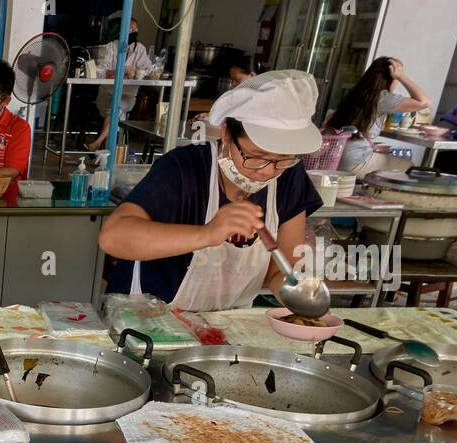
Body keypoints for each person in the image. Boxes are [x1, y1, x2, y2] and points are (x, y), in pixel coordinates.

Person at [99, 71, 326, 310]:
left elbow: (279, 273)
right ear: (227, 133)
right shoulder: (183, 169)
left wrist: (302, 299)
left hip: (227, 326)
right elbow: (113, 237)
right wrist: (207, 234)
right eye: (256, 157)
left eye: (283, 160)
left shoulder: (290, 178)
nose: (268, 171)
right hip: (148, 317)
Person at [326, 57, 429, 178]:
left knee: (387, 160)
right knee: (408, 167)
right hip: (354, 162)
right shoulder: (381, 98)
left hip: (334, 158)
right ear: (392, 76)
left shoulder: (357, 92)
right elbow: (424, 102)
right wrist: (401, 76)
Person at [87, 18, 152, 151]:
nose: (133, 32)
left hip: (127, 96)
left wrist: (140, 72)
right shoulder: (110, 46)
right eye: (130, 29)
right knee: (116, 107)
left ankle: (98, 144)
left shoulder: (140, 49)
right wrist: (117, 71)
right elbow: (99, 71)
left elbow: (148, 69)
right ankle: (107, 151)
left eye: (135, 30)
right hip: (107, 94)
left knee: (118, 106)